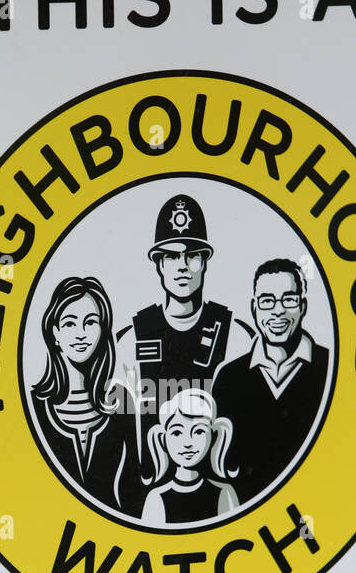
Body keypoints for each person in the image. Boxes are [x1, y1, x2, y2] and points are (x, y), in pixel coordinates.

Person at [116, 192, 253, 460]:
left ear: (204, 262)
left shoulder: (235, 336)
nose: (182, 267)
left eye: (192, 256)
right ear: (159, 264)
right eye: (171, 256)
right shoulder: (130, 340)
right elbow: (123, 437)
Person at [211, 258, 329, 504]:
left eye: (289, 299)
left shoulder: (328, 368)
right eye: (267, 301)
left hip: (318, 508)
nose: (278, 311)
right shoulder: (229, 378)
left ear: (303, 306)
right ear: (254, 308)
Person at [31, 275, 143, 515]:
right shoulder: (35, 406)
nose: (80, 333)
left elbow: (134, 487)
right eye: (70, 324)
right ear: (55, 333)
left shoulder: (121, 400)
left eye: (90, 322)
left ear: (103, 330)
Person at [141, 388, 239, 525]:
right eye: (176, 433)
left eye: (199, 431)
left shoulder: (224, 492)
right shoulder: (156, 497)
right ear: (163, 440)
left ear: (214, 436)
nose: (188, 443)